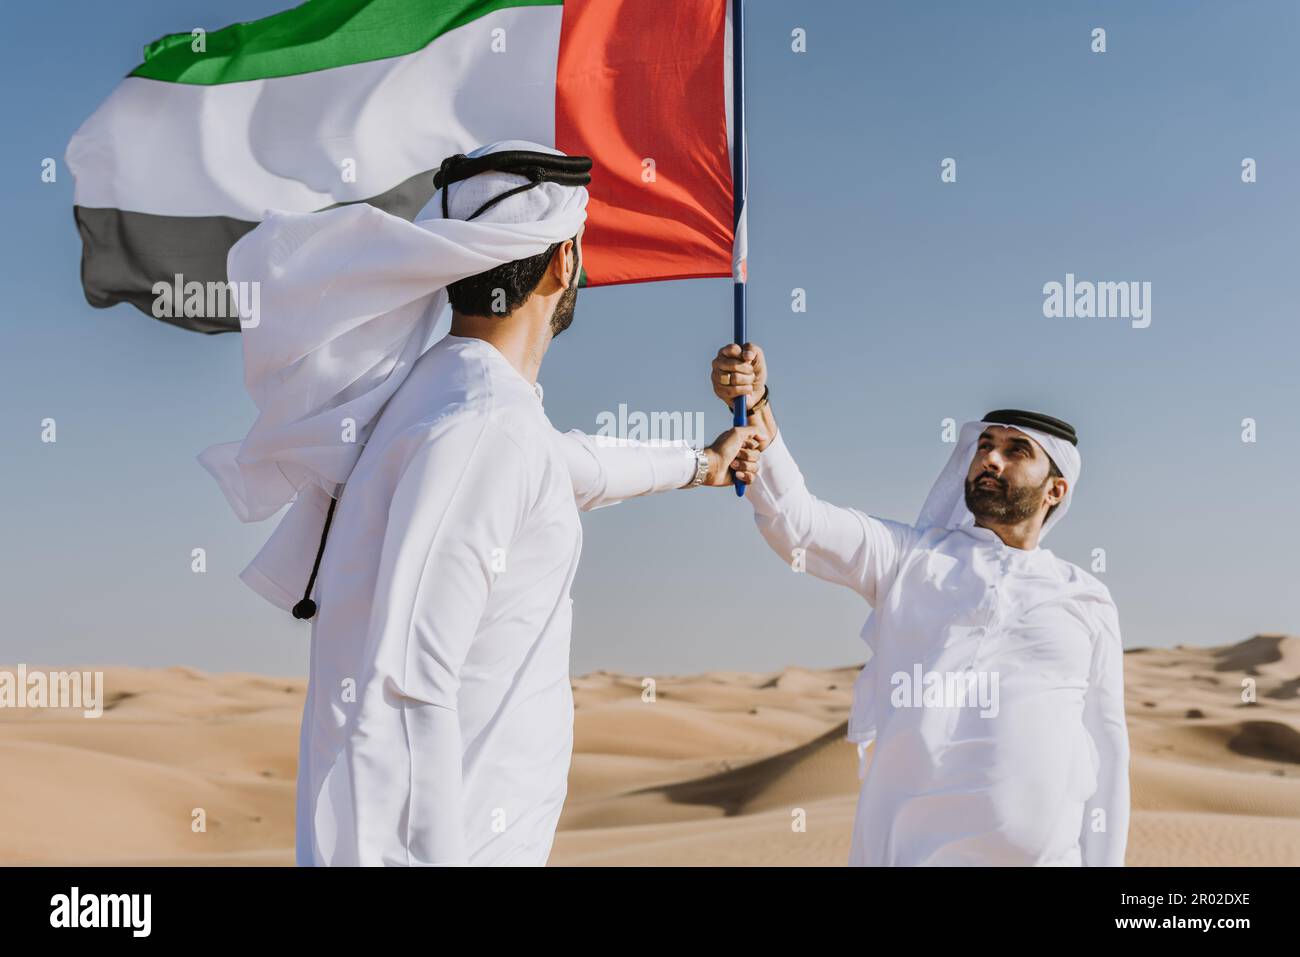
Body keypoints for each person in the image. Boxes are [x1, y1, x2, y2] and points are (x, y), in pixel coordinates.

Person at [199, 141, 762, 866]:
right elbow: (403, 690)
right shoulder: (482, 429)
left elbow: (576, 464)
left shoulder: (453, 404)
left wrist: (702, 462)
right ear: (565, 261)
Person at [711, 343, 1130, 866]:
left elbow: (1107, 750)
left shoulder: (1085, 598)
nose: (990, 459)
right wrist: (759, 405)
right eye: (984, 445)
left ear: (1055, 490)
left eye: (1016, 450)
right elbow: (801, 524)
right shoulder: (909, 559)